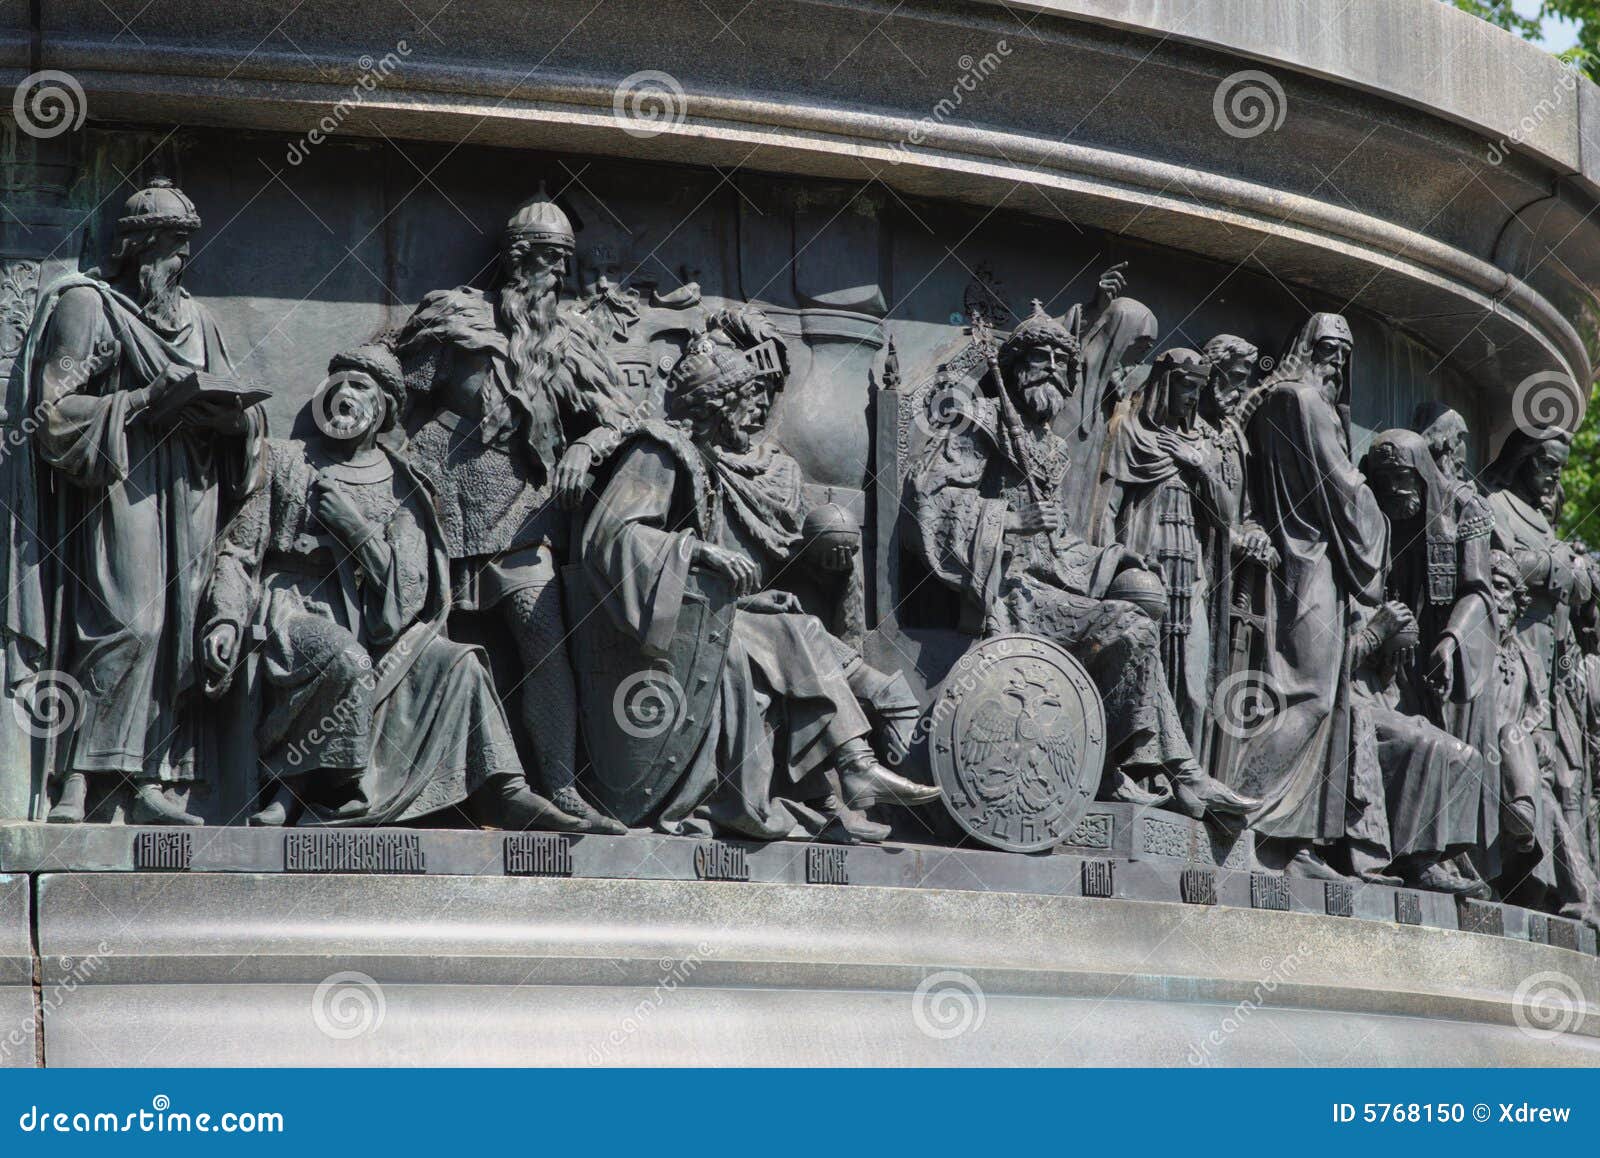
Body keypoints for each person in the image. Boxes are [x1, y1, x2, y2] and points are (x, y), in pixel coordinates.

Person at [200, 345, 585, 831]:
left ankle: (506, 791)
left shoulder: (403, 483)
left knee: (459, 663)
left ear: (383, 406)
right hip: (293, 607)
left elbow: (409, 589)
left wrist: (355, 530)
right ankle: (330, 795)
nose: (343, 394)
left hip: (376, 620)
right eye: (334, 384)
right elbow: (239, 551)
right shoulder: (285, 461)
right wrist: (226, 618)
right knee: (346, 658)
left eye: (358, 386)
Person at [580, 328, 941, 839]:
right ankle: (851, 773)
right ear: (719, 402)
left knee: (801, 627)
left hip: (713, 615)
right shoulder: (658, 453)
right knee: (794, 635)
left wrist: (755, 592)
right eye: (748, 398)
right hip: (665, 635)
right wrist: (700, 551)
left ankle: (852, 773)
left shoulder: (710, 462)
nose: (758, 411)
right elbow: (612, 537)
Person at [909, 301, 1255, 821]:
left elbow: (1060, 548)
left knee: (1135, 615)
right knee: (1128, 627)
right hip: (1005, 594)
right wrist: (1008, 522)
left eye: (1060, 361)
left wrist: (1118, 559)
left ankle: (1158, 770)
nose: (1051, 368)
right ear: (1014, 366)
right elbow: (931, 505)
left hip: (1046, 588)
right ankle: (1166, 773)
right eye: (1038, 358)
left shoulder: (1049, 450)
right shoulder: (979, 426)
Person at [19, 177, 267, 825]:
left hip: (191, 487)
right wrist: (138, 402)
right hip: (119, 481)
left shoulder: (199, 320)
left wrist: (236, 423)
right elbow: (53, 415)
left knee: (178, 631)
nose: (181, 261)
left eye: (185, 247)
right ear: (136, 247)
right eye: (169, 246)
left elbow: (233, 403)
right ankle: (76, 776)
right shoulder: (88, 306)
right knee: (128, 623)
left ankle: (149, 778)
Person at [392, 188, 634, 833]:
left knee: (545, 650)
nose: (559, 275)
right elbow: (390, 396)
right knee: (420, 646)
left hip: (523, 518)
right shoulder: (456, 320)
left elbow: (622, 421)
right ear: (516, 259)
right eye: (548, 260)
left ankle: (557, 788)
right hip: (433, 510)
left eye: (565, 262)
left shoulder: (567, 340)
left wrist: (587, 444)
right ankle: (412, 789)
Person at [1238, 312, 1392, 880]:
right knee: (1310, 696)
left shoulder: (1305, 401)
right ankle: (1245, 813)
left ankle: (1297, 839)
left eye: (1345, 353)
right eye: (1328, 348)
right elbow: (1341, 485)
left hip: (1320, 562)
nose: (1338, 362)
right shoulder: (1301, 401)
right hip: (1307, 565)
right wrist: (1379, 516)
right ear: (1307, 347)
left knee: (1328, 699)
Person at [1101, 348, 1228, 747]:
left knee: (1193, 684)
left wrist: (1200, 466)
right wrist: (1112, 561)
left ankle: (1183, 776)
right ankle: (1138, 765)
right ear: (1164, 385)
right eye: (1186, 387)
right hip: (1145, 571)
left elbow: (1225, 517)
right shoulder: (1129, 432)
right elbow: (1106, 507)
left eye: (1199, 389)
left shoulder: (1199, 446)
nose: (1193, 397)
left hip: (1190, 575)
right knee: (1139, 670)